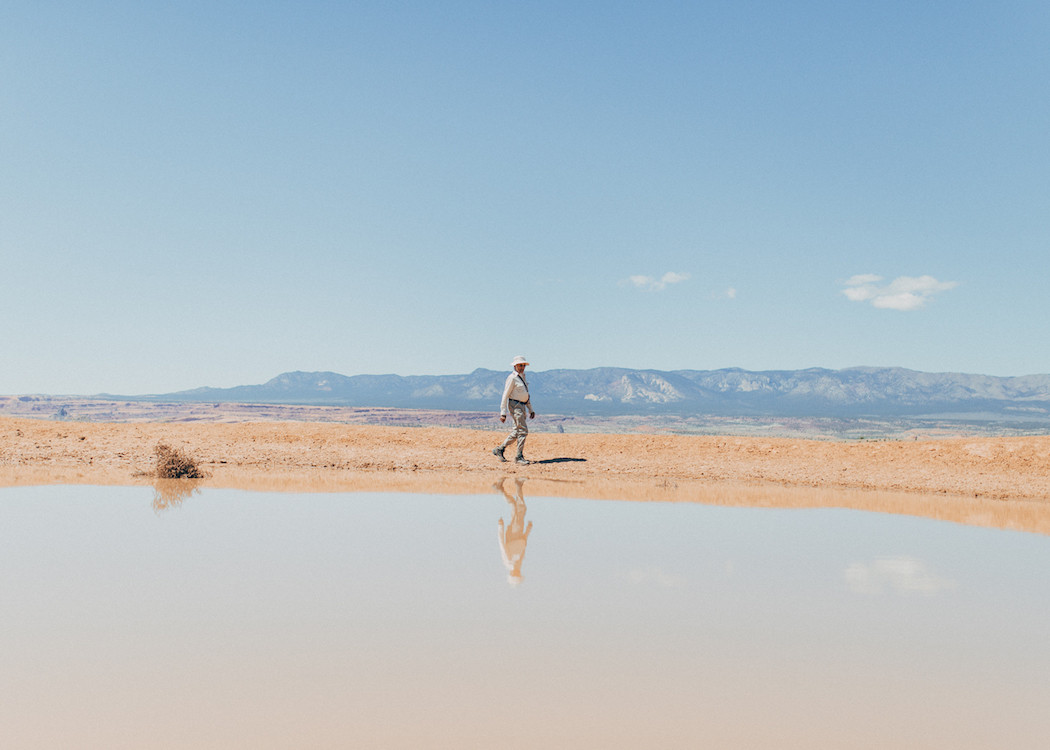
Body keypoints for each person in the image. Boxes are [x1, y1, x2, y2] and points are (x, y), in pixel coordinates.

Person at [493, 356, 535, 465]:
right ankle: (519, 457)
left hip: (522, 405)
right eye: (520, 365)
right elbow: (505, 395)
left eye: (523, 365)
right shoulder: (512, 378)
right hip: (515, 405)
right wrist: (503, 413)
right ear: (515, 366)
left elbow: (526, 395)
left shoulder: (522, 377)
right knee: (523, 430)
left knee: (517, 431)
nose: (522, 367)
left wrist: (530, 409)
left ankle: (500, 449)